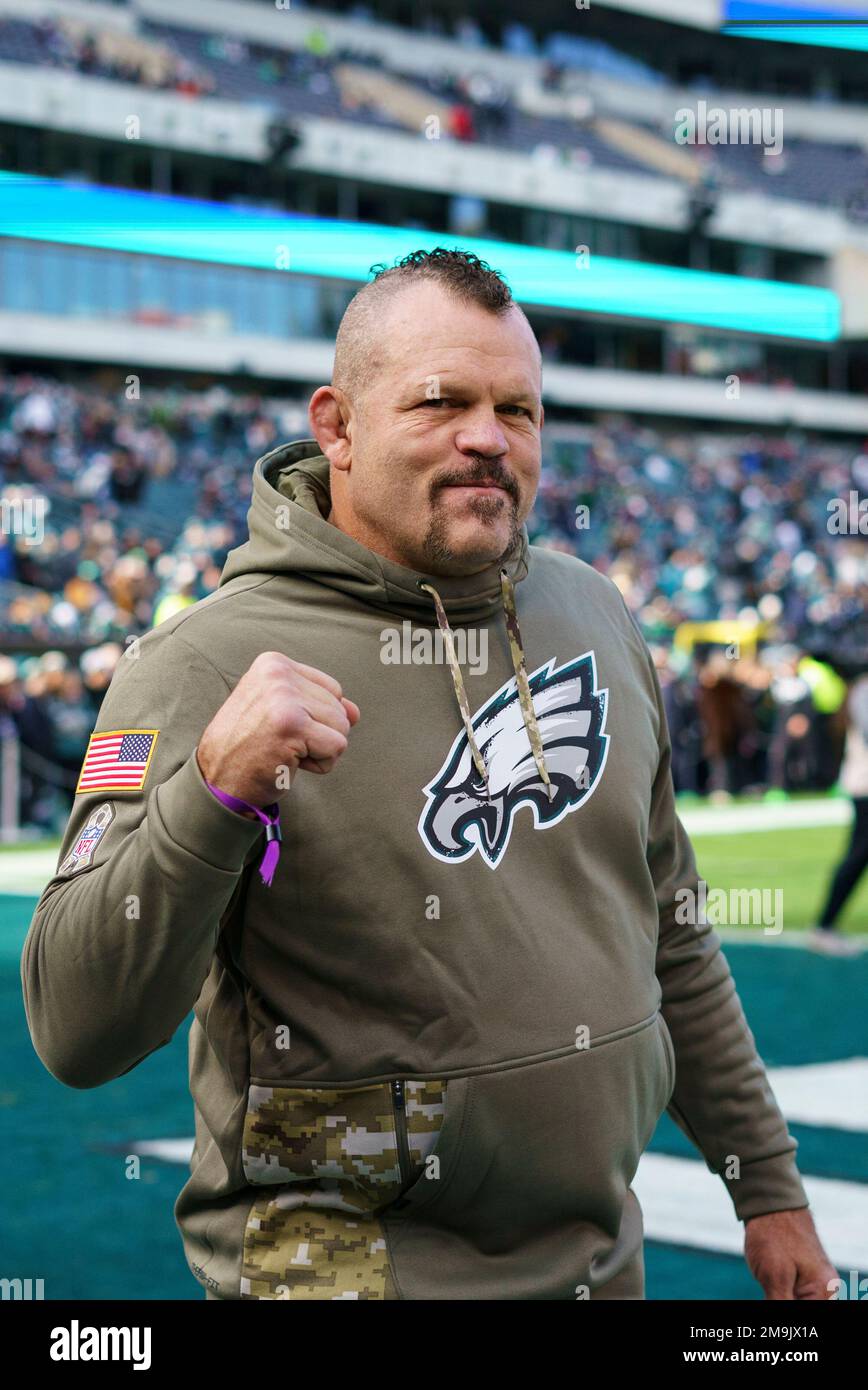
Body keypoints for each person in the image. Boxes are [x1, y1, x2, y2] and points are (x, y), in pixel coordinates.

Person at [21, 250, 834, 1301]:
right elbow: (73, 1028)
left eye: (518, 409)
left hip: (597, 1267)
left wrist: (766, 1185)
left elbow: (670, 930)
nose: (487, 437)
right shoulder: (198, 665)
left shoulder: (594, 613)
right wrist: (209, 796)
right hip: (343, 1280)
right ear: (337, 425)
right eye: (440, 401)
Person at [811, 673, 868, 956]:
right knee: (858, 856)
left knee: (858, 856)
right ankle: (824, 925)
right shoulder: (863, 690)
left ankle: (825, 924)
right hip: (865, 786)